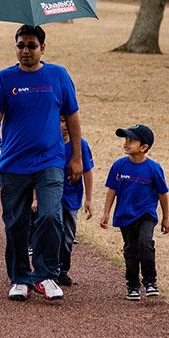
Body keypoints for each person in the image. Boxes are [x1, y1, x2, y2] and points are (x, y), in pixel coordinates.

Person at [0, 24, 83, 302]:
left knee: (50, 215)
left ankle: (46, 274)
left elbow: (72, 116)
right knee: (16, 223)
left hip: (50, 160)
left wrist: (76, 157)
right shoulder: (4, 78)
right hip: (13, 163)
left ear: (42, 48)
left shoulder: (58, 75)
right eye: (21, 45)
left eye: (32, 46)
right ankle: (19, 278)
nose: (26, 50)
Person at [100, 124, 169, 300]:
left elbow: (162, 194)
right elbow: (112, 190)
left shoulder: (153, 168)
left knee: (145, 244)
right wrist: (106, 212)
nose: (126, 143)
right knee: (131, 250)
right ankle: (132, 285)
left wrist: (166, 218)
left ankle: (150, 282)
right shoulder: (119, 165)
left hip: (146, 214)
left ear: (144, 147)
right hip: (125, 215)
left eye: (131, 141)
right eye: (126, 139)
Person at [57, 115, 94, 286]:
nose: (64, 125)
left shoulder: (80, 145)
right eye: (60, 121)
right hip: (52, 195)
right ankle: (50, 269)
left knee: (68, 235)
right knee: (52, 230)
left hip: (72, 197)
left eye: (67, 121)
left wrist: (89, 199)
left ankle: (63, 270)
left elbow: (87, 171)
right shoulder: (49, 143)